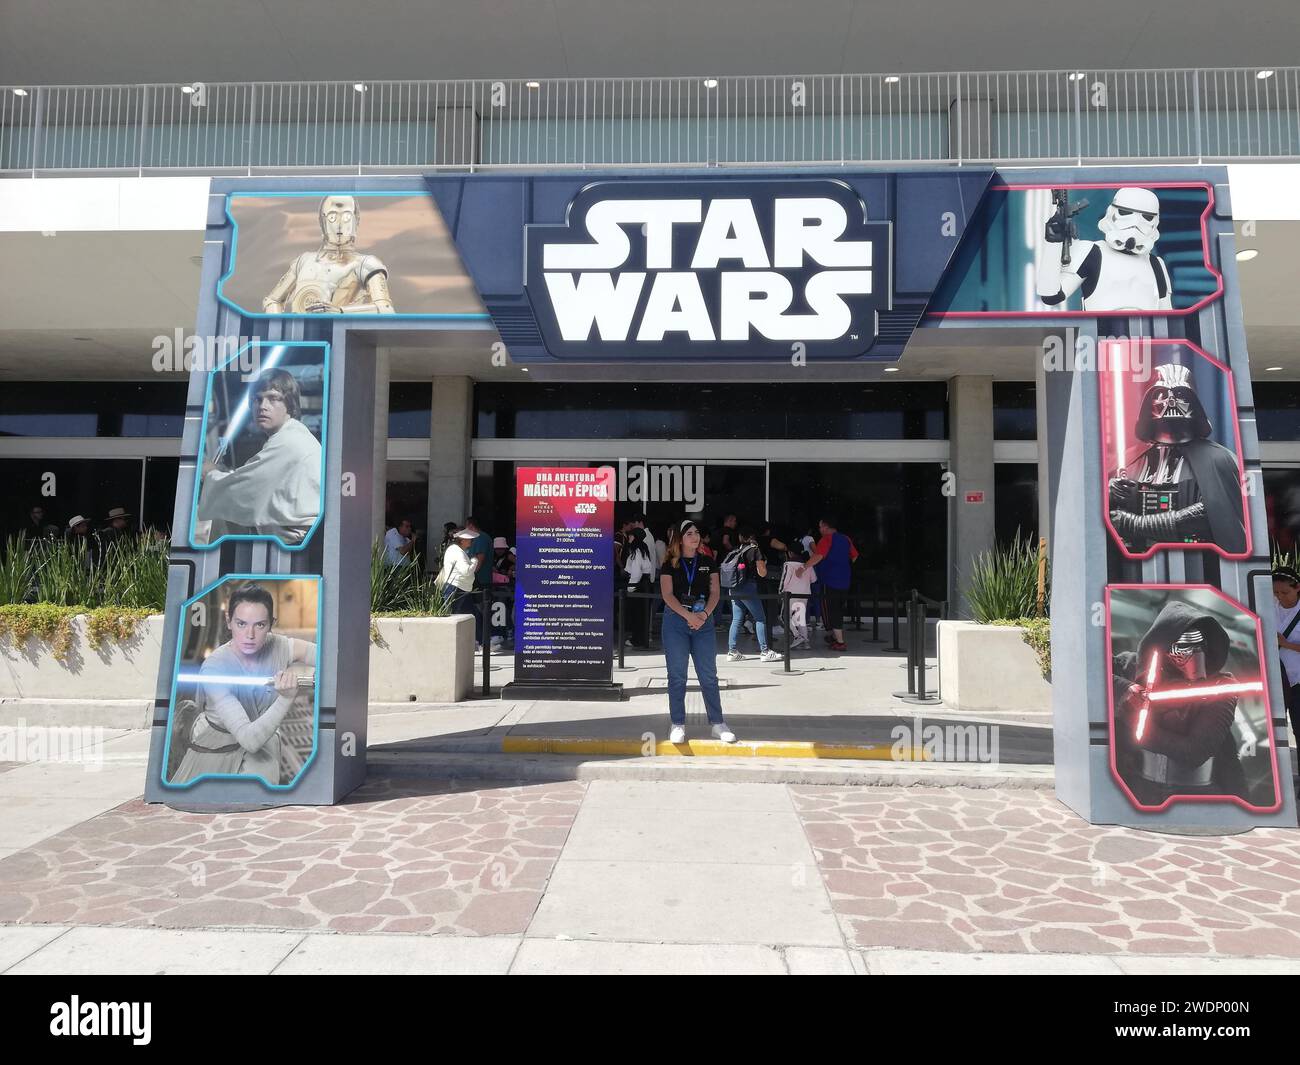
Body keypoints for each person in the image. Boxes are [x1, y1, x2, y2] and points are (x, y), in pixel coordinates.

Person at [171, 582, 316, 786]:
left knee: (262, 781)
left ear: (271, 624)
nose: (250, 635)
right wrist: (285, 699)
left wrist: (320, 674)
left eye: (259, 625)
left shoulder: (279, 645)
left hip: (261, 740)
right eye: (241, 624)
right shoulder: (215, 667)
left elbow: (326, 656)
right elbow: (249, 740)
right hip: (217, 747)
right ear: (229, 622)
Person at [1112, 598, 1248, 807]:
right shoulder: (1131, 666)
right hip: (1139, 784)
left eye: (1198, 647)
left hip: (1198, 792)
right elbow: (1094, 670)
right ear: (1164, 648)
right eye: (1183, 649)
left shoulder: (1222, 686)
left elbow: (1194, 752)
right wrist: (1125, 689)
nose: (1193, 656)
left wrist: (1136, 724)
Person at [1106, 361, 1246, 554]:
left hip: (1196, 565)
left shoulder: (1218, 459)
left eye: (1180, 394)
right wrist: (1107, 495)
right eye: (1161, 394)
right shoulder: (1126, 459)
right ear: (1148, 402)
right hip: (1133, 568)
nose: (1171, 402)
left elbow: (1213, 515)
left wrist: (1136, 524)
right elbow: (1097, 518)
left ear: (1194, 401)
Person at [195, 367, 322, 545]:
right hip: (291, 537)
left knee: (227, 516)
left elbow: (244, 493)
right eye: (257, 399)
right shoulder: (289, 435)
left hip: (293, 543)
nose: (262, 406)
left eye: (273, 398)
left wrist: (210, 473)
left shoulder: (290, 441)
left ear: (290, 404)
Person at [659, 519, 735, 745]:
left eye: (697, 532)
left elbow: (714, 592)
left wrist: (703, 616)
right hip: (676, 622)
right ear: (680, 538)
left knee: (709, 676)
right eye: (689, 533)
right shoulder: (669, 564)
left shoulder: (708, 561)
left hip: (703, 623)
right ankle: (677, 723)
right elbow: (667, 595)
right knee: (677, 676)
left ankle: (718, 723)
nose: (695, 536)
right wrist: (688, 615)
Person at [263, 194, 396, 314]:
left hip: (339, 334)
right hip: (297, 335)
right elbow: (273, 300)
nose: (339, 224)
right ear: (323, 220)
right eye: (332, 216)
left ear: (356, 220)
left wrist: (341, 312)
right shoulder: (303, 261)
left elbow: (386, 309)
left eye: (346, 217)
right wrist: (279, 326)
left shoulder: (366, 264)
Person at [722, 528, 782, 663]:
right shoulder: (755, 550)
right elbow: (762, 573)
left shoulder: (736, 550)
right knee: (760, 618)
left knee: (737, 620)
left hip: (733, 587)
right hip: (748, 587)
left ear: (740, 537)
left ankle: (732, 651)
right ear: (752, 537)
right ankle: (765, 651)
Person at [801, 516, 859, 651]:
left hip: (830, 580)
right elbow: (855, 555)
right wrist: (843, 565)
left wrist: (804, 567)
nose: (819, 529)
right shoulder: (846, 538)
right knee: (839, 607)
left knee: (833, 610)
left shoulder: (826, 539)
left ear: (826, 527)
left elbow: (818, 556)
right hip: (845, 580)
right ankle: (834, 635)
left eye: (820, 526)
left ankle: (840, 642)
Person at [435, 528, 480, 636]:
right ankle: (479, 641)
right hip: (456, 589)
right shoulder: (456, 551)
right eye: (469, 539)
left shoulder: (457, 551)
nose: (471, 541)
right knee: (457, 617)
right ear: (462, 539)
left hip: (459, 588)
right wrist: (475, 561)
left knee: (469, 616)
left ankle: (479, 641)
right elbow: (466, 571)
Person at [1274, 566, 1300, 744]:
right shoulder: (1268, 607)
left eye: (1285, 592)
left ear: (1297, 587)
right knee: (1275, 730)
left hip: (1298, 680)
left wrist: (1285, 644)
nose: (1280, 596)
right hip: (1276, 679)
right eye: (1276, 592)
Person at [622, 514, 655, 650]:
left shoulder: (636, 552)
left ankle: (637, 639)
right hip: (645, 584)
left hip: (639, 585)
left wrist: (630, 588)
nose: (629, 538)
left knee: (637, 614)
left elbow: (636, 573)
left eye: (631, 536)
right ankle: (641, 638)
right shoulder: (643, 549)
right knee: (642, 614)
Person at [780, 543, 818, 649]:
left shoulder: (788, 564)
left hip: (790, 595)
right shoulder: (807, 564)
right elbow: (814, 579)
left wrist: (780, 591)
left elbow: (784, 580)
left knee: (784, 617)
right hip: (804, 594)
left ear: (790, 553)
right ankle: (806, 642)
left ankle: (797, 636)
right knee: (800, 619)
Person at [462, 515, 493, 645]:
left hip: (479, 579)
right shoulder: (480, 538)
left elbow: (479, 560)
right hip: (476, 578)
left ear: (470, 526)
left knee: (481, 609)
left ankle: (484, 638)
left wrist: (470, 574)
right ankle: (480, 636)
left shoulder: (480, 538)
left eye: (466, 526)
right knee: (476, 609)